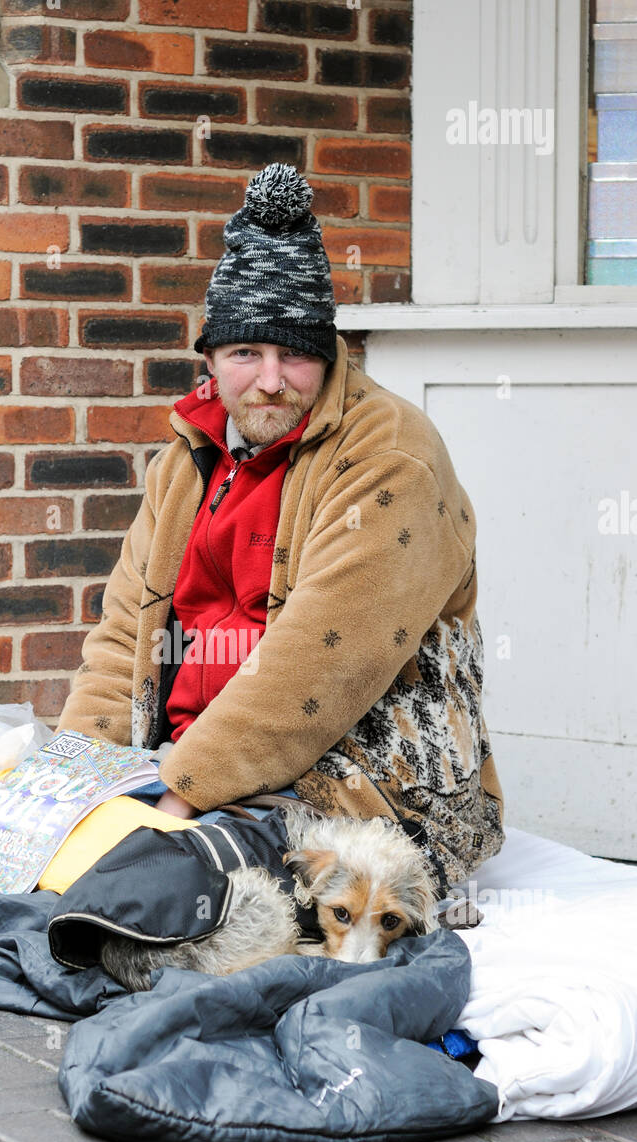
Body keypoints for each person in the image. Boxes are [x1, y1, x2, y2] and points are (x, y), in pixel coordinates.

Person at [56, 164, 505, 895]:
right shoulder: (184, 461)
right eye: (245, 353)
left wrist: (177, 804)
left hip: (360, 789)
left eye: (293, 354)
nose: (270, 379)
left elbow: (317, 665)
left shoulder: (388, 456)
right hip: (188, 767)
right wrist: (71, 775)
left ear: (327, 358)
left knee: (145, 887)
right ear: (209, 360)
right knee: (9, 845)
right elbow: (120, 638)